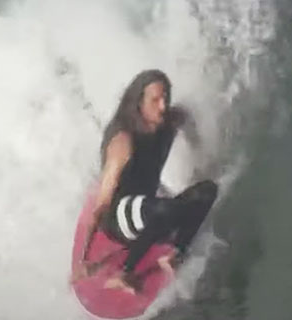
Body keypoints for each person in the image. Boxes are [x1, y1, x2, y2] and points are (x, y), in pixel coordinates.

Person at [71, 69, 218, 292]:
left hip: (147, 208)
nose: (163, 106)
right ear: (139, 102)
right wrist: (84, 260)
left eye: (166, 98)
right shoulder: (123, 142)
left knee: (207, 191)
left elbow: (188, 123)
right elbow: (102, 204)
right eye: (155, 100)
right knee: (163, 210)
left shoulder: (172, 119)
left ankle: (175, 254)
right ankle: (124, 273)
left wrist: (199, 156)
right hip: (118, 219)